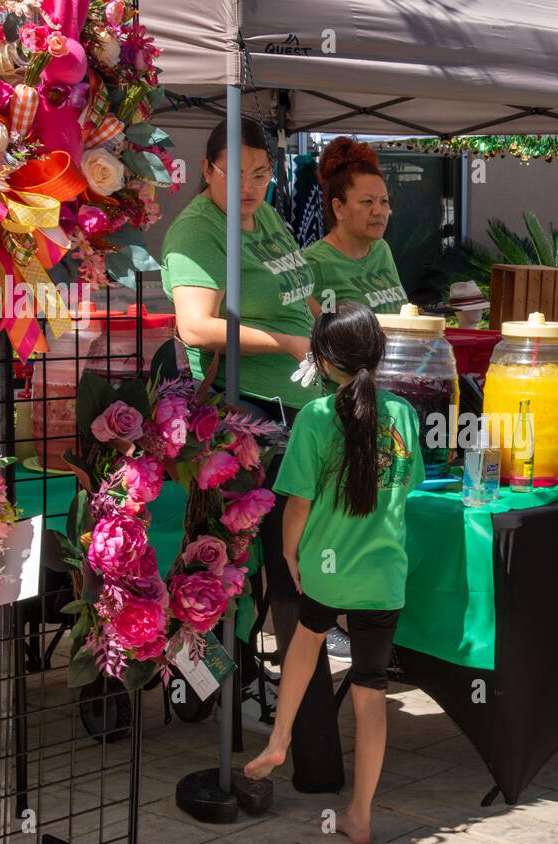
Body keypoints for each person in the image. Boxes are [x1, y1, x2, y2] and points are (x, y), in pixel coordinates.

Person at [243, 301, 424, 844]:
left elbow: (295, 504)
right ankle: (361, 815)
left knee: (306, 636)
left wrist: (292, 555)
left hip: (326, 567)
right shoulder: (405, 415)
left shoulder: (316, 417)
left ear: (322, 360)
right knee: (370, 694)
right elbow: (408, 485)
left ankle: (278, 738)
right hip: (384, 574)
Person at [161, 118, 323, 700]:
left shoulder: (269, 217)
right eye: (236, 174)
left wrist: (325, 334)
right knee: (267, 554)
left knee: (295, 547)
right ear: (207, 171)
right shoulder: (198, 232)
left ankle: (266, 677)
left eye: (261, 174)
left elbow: (299, 290)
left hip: (306, 401)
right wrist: (287, 344)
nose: (250, 186)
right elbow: (196, 327)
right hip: (252, 412)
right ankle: (218, 679)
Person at [303, 137, 407, 314]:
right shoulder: (314, 263)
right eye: (367, 201)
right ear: (338, 208)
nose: (378, 211)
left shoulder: (381, 249)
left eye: (384, 201)